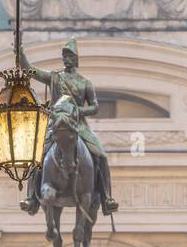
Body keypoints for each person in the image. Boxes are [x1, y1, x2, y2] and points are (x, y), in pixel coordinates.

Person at [18, 38, 119, 217]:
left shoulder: (85, 82)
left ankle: (107, 198)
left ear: (76, 58)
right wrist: (21, 54)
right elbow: (30, 71)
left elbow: (94, 106)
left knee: (101, 155)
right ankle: (31, 198)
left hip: (79, 126)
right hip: (56, 125)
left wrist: (76, 110)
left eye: (70, 56)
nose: (66, 59)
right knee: (37, 155)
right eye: (64, 55)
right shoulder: (54, 77)